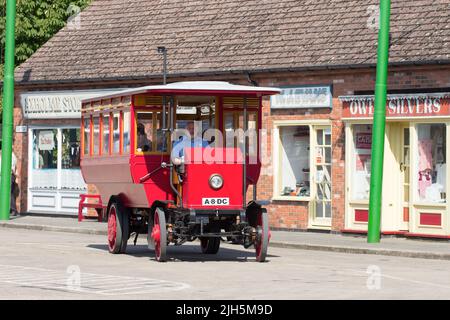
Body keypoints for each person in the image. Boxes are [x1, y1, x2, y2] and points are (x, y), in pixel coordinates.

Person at [0, 148, 18, 216]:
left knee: (8, 192)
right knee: (10, 193)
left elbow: (11, 167)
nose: (1, 150)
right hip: (7, 175)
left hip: (8, 175)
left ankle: (13, 210)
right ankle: (12, 209)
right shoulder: (7, 155)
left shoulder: (11, 156)